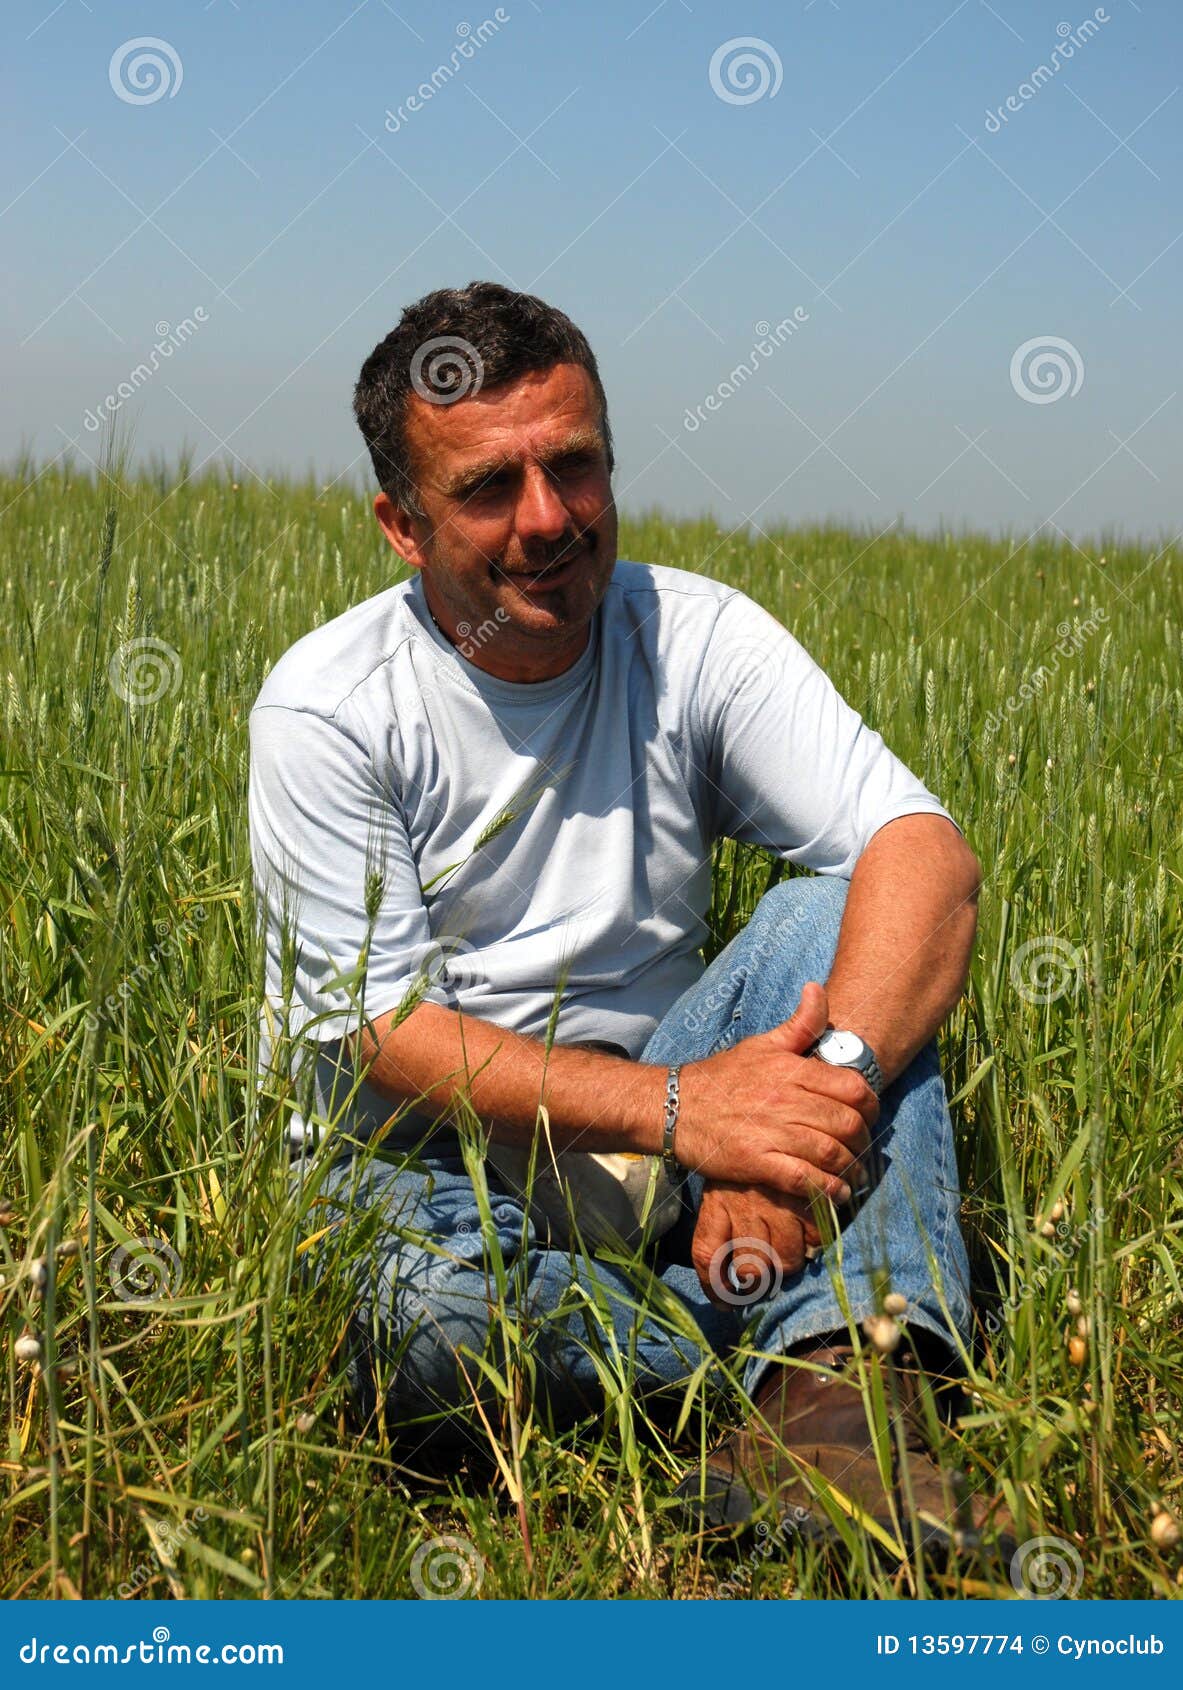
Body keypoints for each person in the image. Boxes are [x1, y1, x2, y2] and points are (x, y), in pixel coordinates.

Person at [248, 280, 1007, 1554]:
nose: (547, 520)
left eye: (576, 467)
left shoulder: (695, 637)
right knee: (434, 1338)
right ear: (399, 524)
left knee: (841, 906)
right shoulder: (327, 708)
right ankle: (795, 1339)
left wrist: (806, 1108)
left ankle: (828, 1414)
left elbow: (925, 856)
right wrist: (693, 1115)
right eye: (490, 487)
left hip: (670, 1131)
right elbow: (378, 1032)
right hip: (421, 1162)